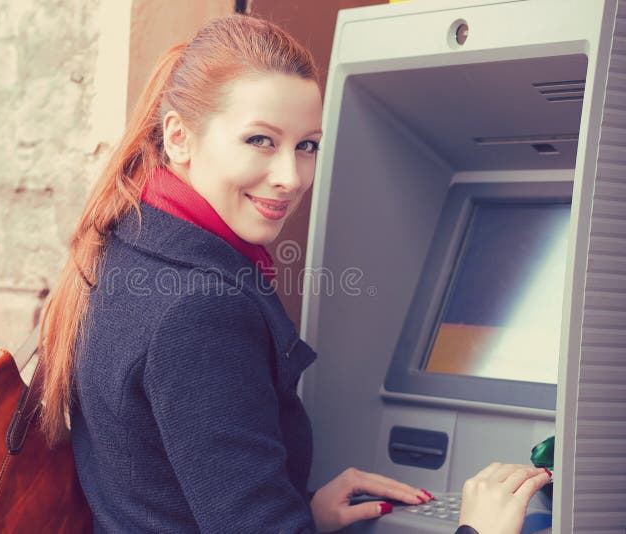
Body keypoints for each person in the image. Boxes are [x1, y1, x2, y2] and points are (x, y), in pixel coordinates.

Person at [36, 13, 552, 533]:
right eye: (260, 140)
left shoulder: (127, 243)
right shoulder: (202, 309)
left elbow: (160, 485)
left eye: (307, 145)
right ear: (179, 137)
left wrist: (299, 511)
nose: (291, 177)